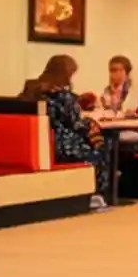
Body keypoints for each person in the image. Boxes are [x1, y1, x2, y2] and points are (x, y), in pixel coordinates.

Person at [28, 55, 111, 210]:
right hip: (62, 144)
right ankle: (97, 193)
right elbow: (75, 124)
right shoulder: (62, 95)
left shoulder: (33, 90)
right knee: (100, 147)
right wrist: (91, 124)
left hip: (39, 141)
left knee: (94, 139)